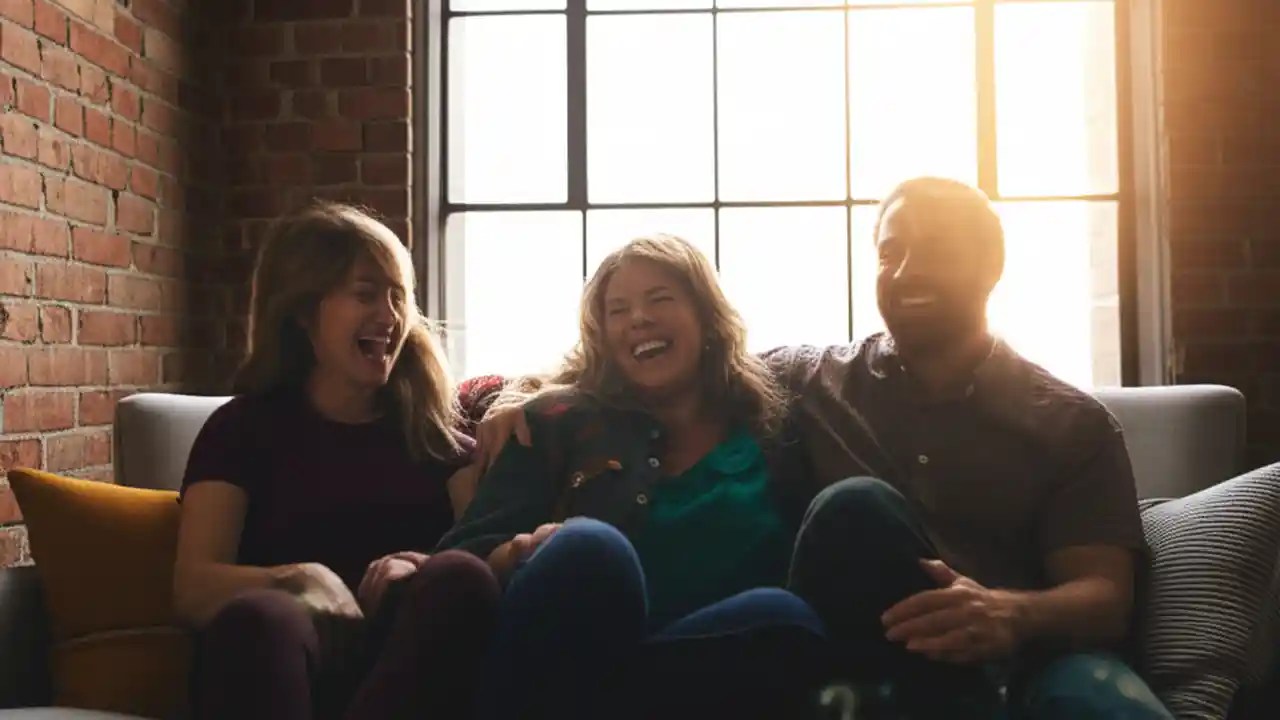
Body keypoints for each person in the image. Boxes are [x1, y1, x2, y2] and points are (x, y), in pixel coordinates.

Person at [474, 179, 1174, 719]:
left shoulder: (1068, 422)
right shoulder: (812, 379)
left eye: (935, 250)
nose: (906, 271)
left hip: (1014, 656)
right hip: (854, 658)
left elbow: (1106, 598)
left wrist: (1010, 614)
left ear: (992, 266)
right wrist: (516, 396)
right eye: (890, 253)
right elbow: (661, 366)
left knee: (1095, 699)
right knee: (852, 512)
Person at [435, 234, 866, 719]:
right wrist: (518, 553)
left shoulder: (777, 426)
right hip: (570, 669)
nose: (639, 318)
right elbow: (460, 558)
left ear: (706, 317)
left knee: (779, 616)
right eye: (618, 310)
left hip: (726, 669)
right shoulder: (553, 422)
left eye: (660, 299)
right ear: (603, 336)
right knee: (590, 548)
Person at [172, 202, 499, 720]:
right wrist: (296, 578)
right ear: (303, 312)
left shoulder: (440, 444)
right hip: (279, 666)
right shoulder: (238, 431)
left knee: (459, 575)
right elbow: (192, 588)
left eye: (398, 297)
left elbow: (488, 566)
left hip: (408, 679)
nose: (390, 317)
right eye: (365, 294)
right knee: (262, 615)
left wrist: (423, 566)